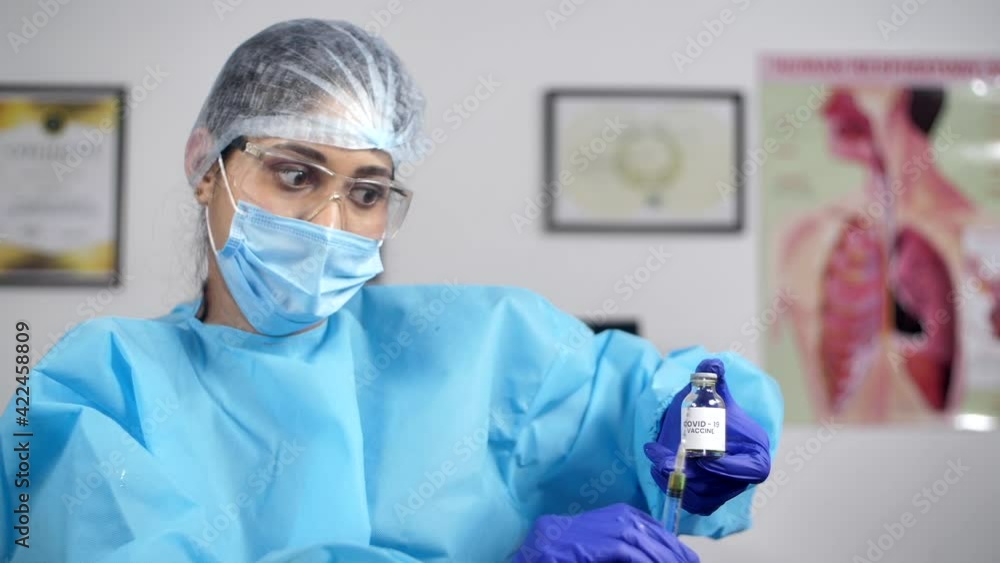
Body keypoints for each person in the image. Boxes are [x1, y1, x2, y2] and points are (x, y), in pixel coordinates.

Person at [0, 19, 782, 563]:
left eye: (368, 191)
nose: (331, 220)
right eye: (296, 174)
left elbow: (658, 395)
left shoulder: (478, 346)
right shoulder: (98, 391)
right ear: (207, 167)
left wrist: (701, 422)